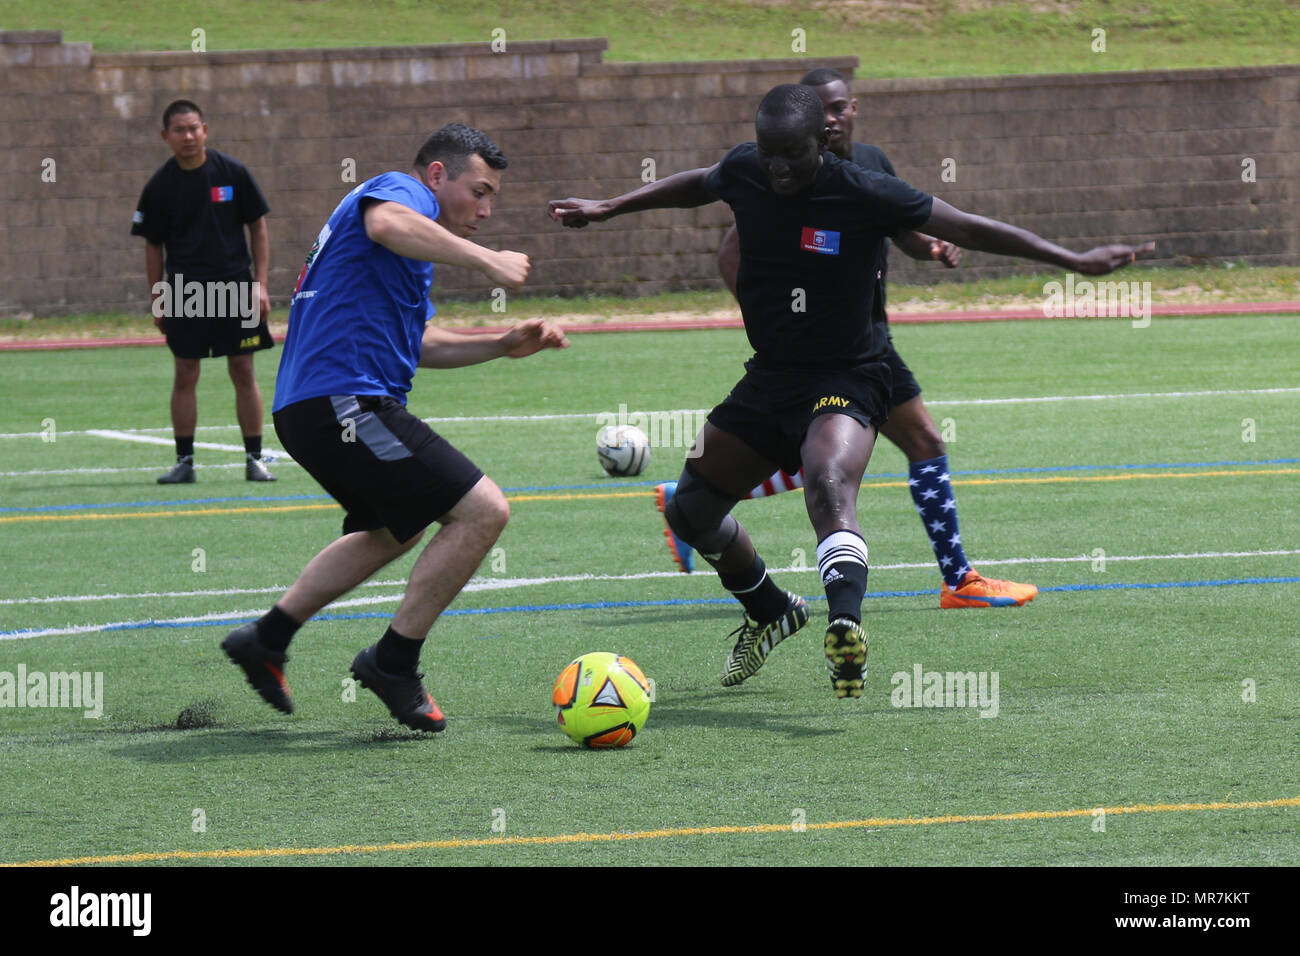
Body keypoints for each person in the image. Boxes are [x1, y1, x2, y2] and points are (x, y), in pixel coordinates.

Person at [550, 85, 1152, 698]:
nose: (777, 166)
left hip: (848, 374)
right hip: (770, 377)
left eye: (792, 153)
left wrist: (1073, 261)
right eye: (768, 152)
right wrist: (608, 207)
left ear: (823, 141)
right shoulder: (746, 168)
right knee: (692, 508)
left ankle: (846, 626)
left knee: (829, 482)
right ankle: (769, 608)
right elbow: (695, 184)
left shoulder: (863, 190)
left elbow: (969, 227)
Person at [221, 123, 568, 732]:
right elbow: (386, 222)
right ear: (437, 175)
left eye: (492, 200)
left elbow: (422, 343)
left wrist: (500, 345)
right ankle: (393, 662)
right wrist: (489, 262)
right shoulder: (397, 195)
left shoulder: (410, 253)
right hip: (343, 403)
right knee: (483, 511)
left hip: (319, 407)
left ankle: (267, 638)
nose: (484, 210)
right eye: (479, 192)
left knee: (395, 530)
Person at [655, 68, 1035, 611]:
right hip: (847, 355)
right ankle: (959, 579)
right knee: (909, 444)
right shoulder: (782, 177)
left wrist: (928, 248)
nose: (833, 120)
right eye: (823, 111)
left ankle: (702, 496)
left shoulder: (872, 167)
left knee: (841, 455)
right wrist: (772, 316)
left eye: (840, 108)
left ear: (853, 109)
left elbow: (903, 229)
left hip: (865, 341)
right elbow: (732, 247)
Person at [131, 99, 277, 484]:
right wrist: (158, 297)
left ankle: (255, 459)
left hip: (235, 286)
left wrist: (260, 285)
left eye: (194, 128)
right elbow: (152, 246)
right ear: (166, 137)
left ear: (205, 130)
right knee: (185, 372)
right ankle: (185, 462)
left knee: (243, 369)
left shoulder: (233, 173)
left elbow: (258, 228)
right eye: (179, 130)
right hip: (184, 291)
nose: (188, 137)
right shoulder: (160, 187)